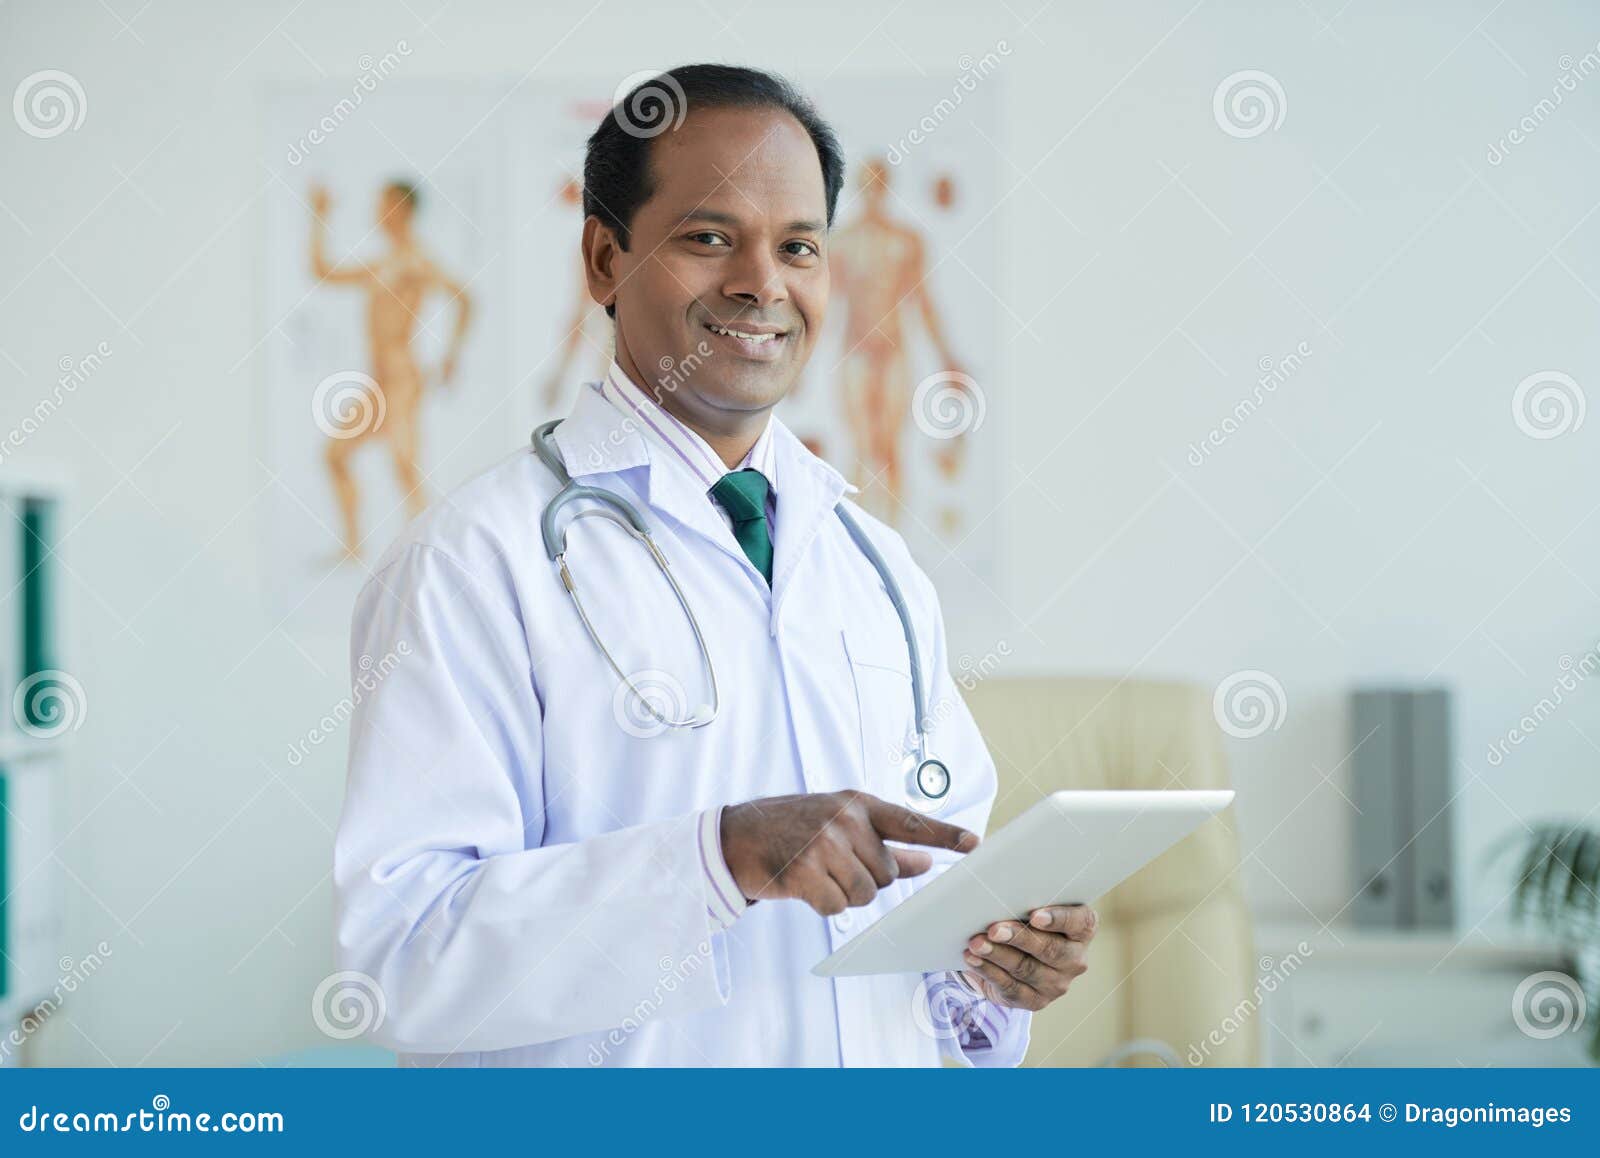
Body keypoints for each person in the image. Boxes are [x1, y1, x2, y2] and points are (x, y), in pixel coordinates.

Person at [333, 64, 1095, 1067]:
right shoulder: (474, 561)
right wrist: (717, 858)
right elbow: (404, 967)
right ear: (605, 259)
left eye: (798, 247)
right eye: (707, 237)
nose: (761, 283)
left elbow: (926, 916)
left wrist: (993, 972)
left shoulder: (876, 568)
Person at [308, 180, 473, 563]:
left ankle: (434, 555)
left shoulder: (417, 260)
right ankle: (352, 546)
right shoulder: (382, 263)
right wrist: (319, 215)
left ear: (402, 209)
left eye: (384, 205)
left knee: (404, 466)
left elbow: (464, 300)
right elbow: (322, 271)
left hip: (402, 378)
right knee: (336, 455)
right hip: (378, 381)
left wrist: (451, 356)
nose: (377, 212)